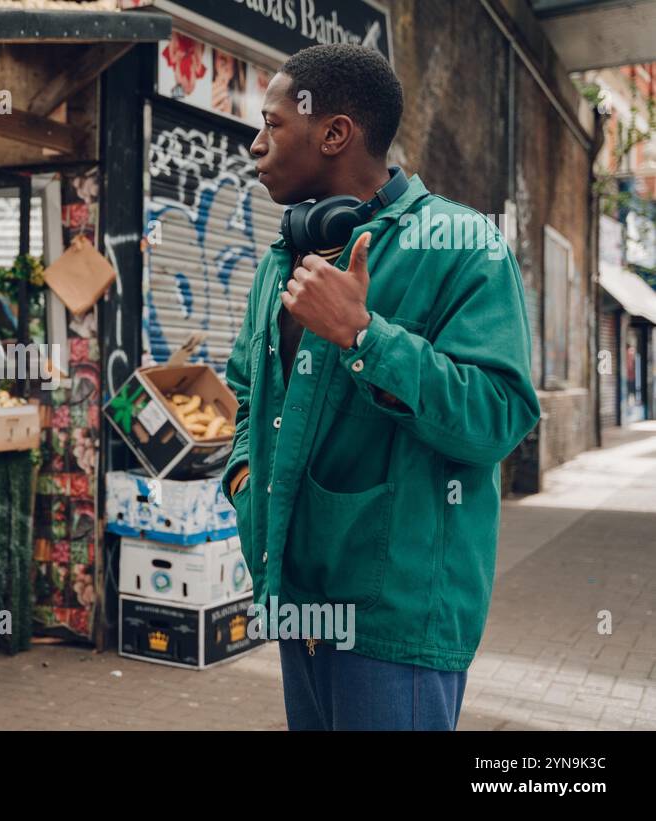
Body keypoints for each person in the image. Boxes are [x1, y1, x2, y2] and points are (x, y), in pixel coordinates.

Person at [222, 44, 540, 731]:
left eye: (272, 124)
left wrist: (365, 338)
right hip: (298, 600)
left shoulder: (463, 245)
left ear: (334, 132)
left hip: (397, 623)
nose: (254, 145)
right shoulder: (285, 259)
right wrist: (246, 476)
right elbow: (246, 390)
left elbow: (499, 415)